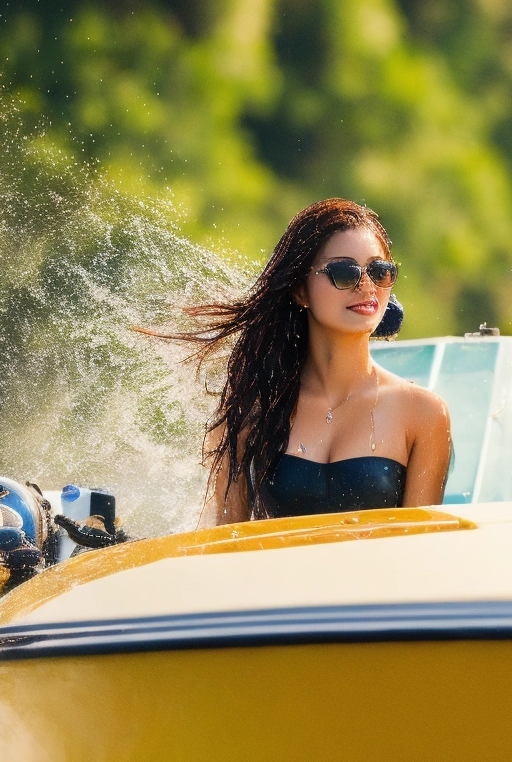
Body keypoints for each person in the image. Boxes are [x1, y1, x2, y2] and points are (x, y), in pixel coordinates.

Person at [165, 198, 452, 522]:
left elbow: (419, 552)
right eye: (344, 272)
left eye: (379, 271)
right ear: (301, 290)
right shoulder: (252, 412)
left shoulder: (423, 414)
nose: (367, 285)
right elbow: (227, 545)